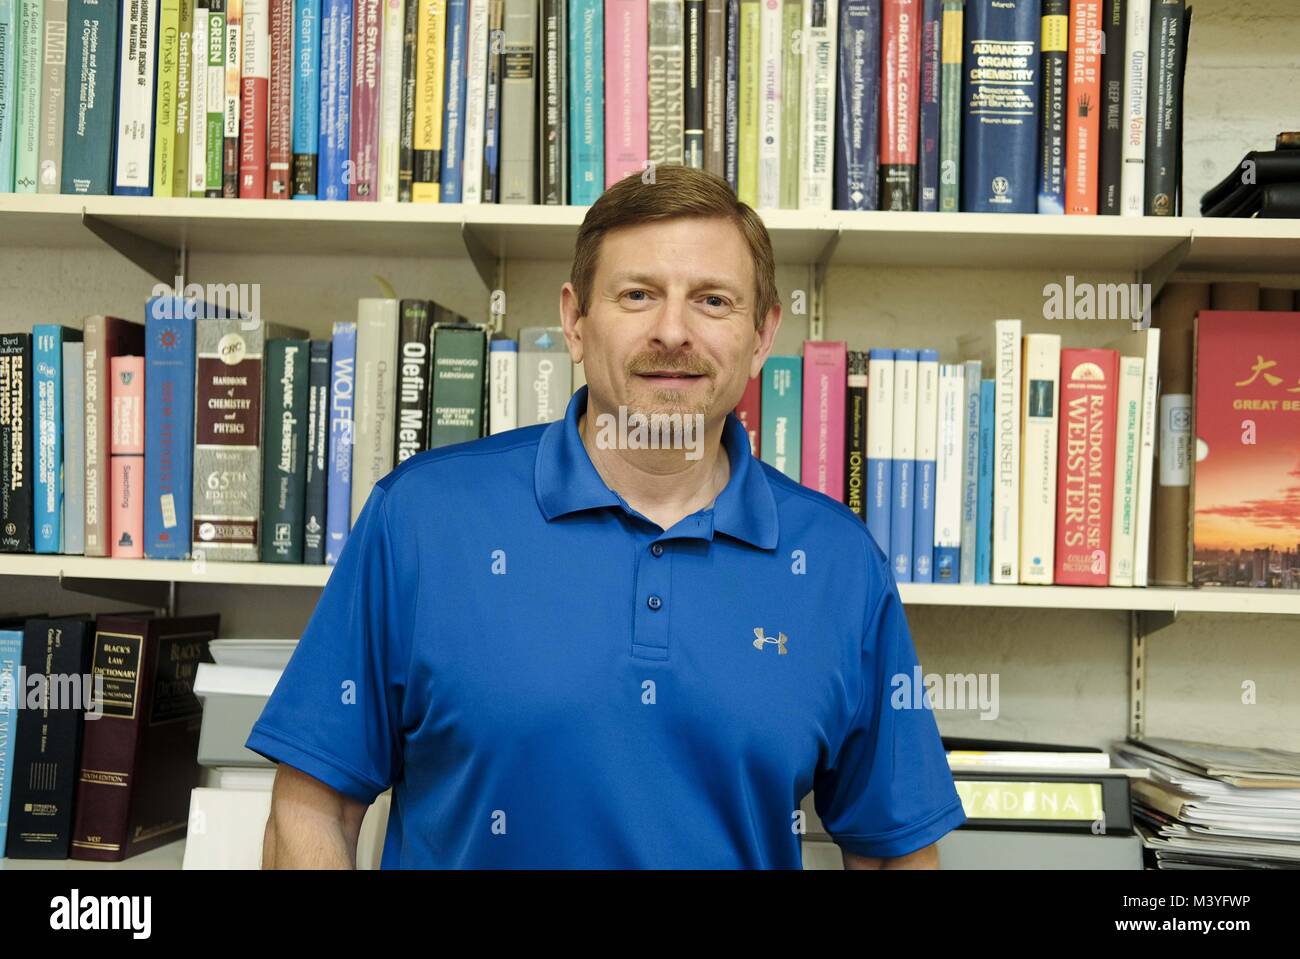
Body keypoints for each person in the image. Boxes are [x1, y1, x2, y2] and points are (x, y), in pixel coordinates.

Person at [248, 165, 965, 869]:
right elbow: (313, 807)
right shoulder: (420, 521)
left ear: (762, 333)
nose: (673, 331)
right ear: (574, 320)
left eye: (713, 300)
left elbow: (892, 851)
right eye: (637, 294)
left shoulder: (839, 563)